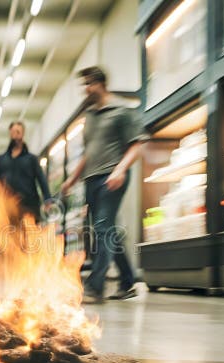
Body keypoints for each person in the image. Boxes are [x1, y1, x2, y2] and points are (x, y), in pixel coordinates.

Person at [61, 66, 147, 303]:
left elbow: (137, 144)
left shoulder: (121, 111)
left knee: (102, 229)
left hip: (112, 176)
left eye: (89, 84)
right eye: (84, 85)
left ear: (101, 84)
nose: (85, 89)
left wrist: (120, 169)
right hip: (91, 179)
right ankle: (129, 281)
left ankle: (95, 286)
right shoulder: (90, 116)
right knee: (107, 231)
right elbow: (89, 152)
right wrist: (73, 178)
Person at [0, 121, 51, 222]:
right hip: (7, 208)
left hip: (29, 207)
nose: (16, 134)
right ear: (10, 133)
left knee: (30, 236)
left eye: (18, 131)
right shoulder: (0, 160)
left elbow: (42, 180)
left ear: (23, 134)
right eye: (13, 131)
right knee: (8, 236)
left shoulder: (32, 159)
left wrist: (47, 200)